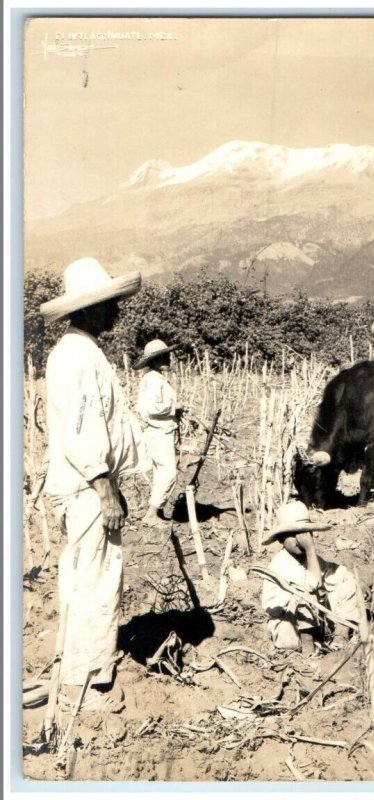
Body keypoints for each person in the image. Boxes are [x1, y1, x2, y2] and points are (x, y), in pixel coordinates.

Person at [40, 256, 144, 710]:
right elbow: (85, 434)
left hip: (89, 482)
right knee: (95, 579)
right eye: (108, 305)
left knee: (85, 575)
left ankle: (75, 668)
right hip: (87, 487)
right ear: (86, 311)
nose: (116, 312)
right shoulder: (78, 356)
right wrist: (105, 490)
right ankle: (87, 686)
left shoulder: (79, 352)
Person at [261, 501, 360, 653]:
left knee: (346, 581)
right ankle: (309, 651)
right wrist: (310, 549)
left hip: (315, 625)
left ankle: (340, 636)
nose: (301, 540)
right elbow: (313, 584)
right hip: (289, 630)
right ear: (281, 539)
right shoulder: (282, 563)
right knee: (305, 595)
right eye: (294, 535)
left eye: (306, 534)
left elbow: (337, 573)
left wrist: (356, 582)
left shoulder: (309, 559)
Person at [134, 339, 180, 525]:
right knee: (168, 473)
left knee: (161, 472)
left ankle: (156, 512)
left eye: (167, 355)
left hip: (158, 430)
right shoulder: (153, 380)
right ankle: (152, 513)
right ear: (153, 361)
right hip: (158, 431)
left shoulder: (153, 378)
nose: (168, 359)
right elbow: (151, 408)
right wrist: (174, 407)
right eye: (162, 356)